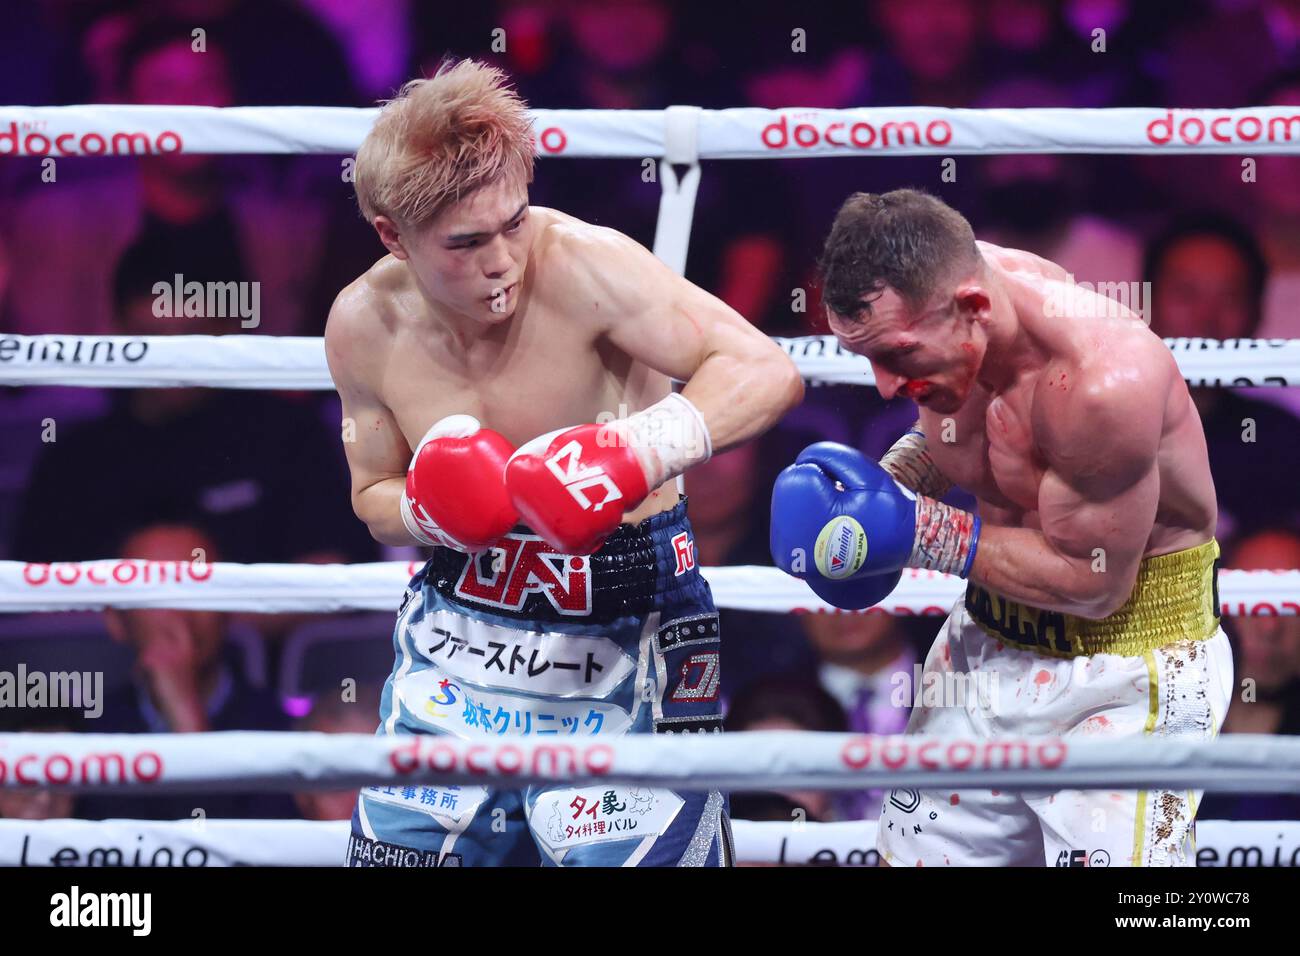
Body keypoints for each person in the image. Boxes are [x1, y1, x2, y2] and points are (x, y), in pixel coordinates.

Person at [327, 60, 802, 867]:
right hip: (460, 641)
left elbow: (766, 370)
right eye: (467, 243)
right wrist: (428, 512)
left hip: (624, 627)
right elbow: (370, 492)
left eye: (512, 224)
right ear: (391, 235)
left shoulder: (588, 266)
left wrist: (632, 451)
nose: (503, 259)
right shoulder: (362, 325)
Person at [770, 188, 1233, 867]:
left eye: (895, 356)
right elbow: (963, 437)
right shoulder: (949, 294)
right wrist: (884, 489)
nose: (884, 388)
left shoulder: (1104, 382)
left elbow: (1094, 581)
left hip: (1127, 669)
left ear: (974, 309)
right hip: (985, 645)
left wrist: (915, 529)